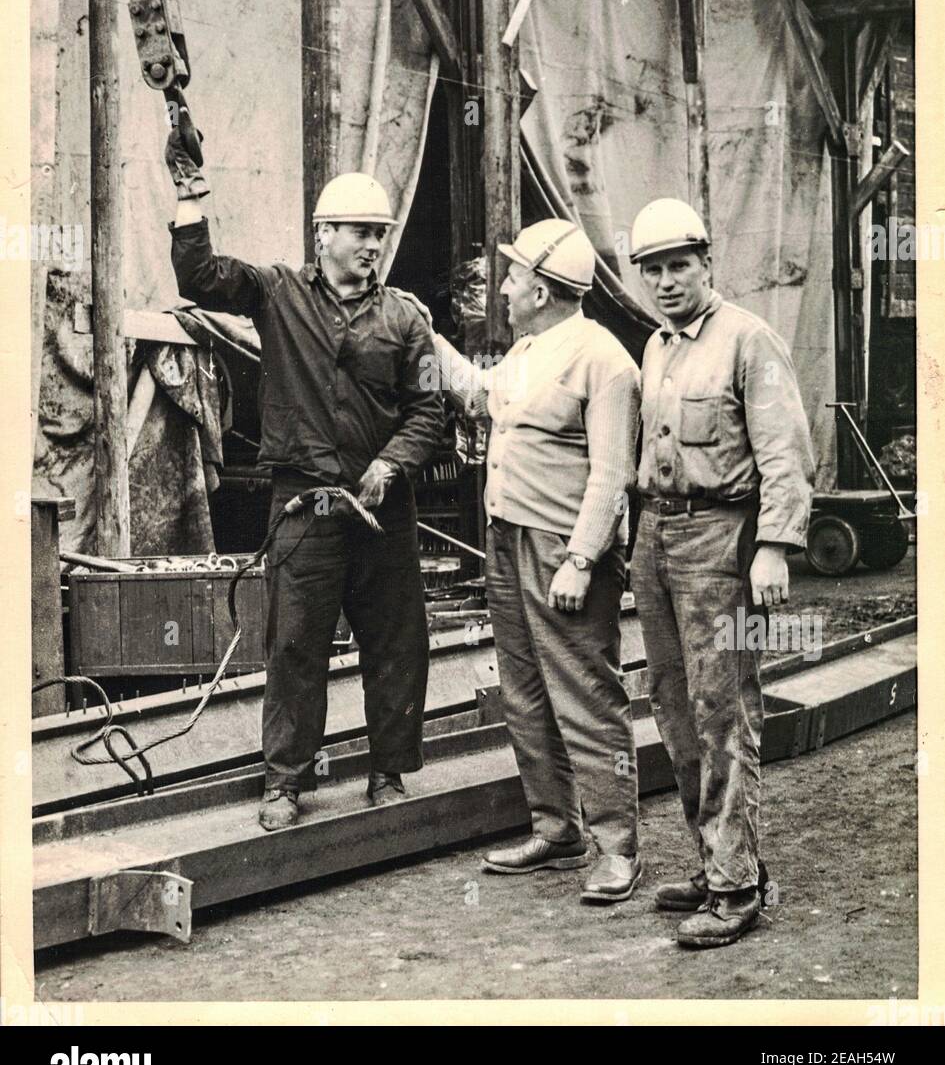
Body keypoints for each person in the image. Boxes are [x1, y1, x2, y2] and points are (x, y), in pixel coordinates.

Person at [166, 135, 444, 830]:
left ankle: (387, 773)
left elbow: (428, 409)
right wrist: (189, 197)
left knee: (396, 641)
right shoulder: (276, 293)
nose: (372, 245)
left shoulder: (408, 317)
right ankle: (285, 782)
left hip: (385, 510)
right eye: (359, 232)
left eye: (379, 234)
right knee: (294, 646)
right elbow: (199, 278)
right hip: (304, 508)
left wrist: (391, 464)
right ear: (324, 235)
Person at [407, 219, 643, 904]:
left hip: (562, 547)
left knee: (585, 695)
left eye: (511, 278)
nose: (504, 289)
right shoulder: (530, 352)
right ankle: (555, 827)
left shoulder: (605, 361)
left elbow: (611, 474)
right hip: (508, 539)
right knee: (524, 690)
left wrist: (579, 559)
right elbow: (482, 397)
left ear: (540, 289)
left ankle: (617, 848)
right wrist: (430, 339)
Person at [627, 197, 815, 947]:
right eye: (653, 270)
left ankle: (737, 887)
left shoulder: (748, 340)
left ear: (707, 264)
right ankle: (713, 865)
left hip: (722, 540)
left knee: (722, 710)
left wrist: (773, 545)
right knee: (672, 707)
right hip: (657, 536)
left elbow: (784, 453)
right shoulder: (656, 347)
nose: (667, 281)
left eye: (679, 265)